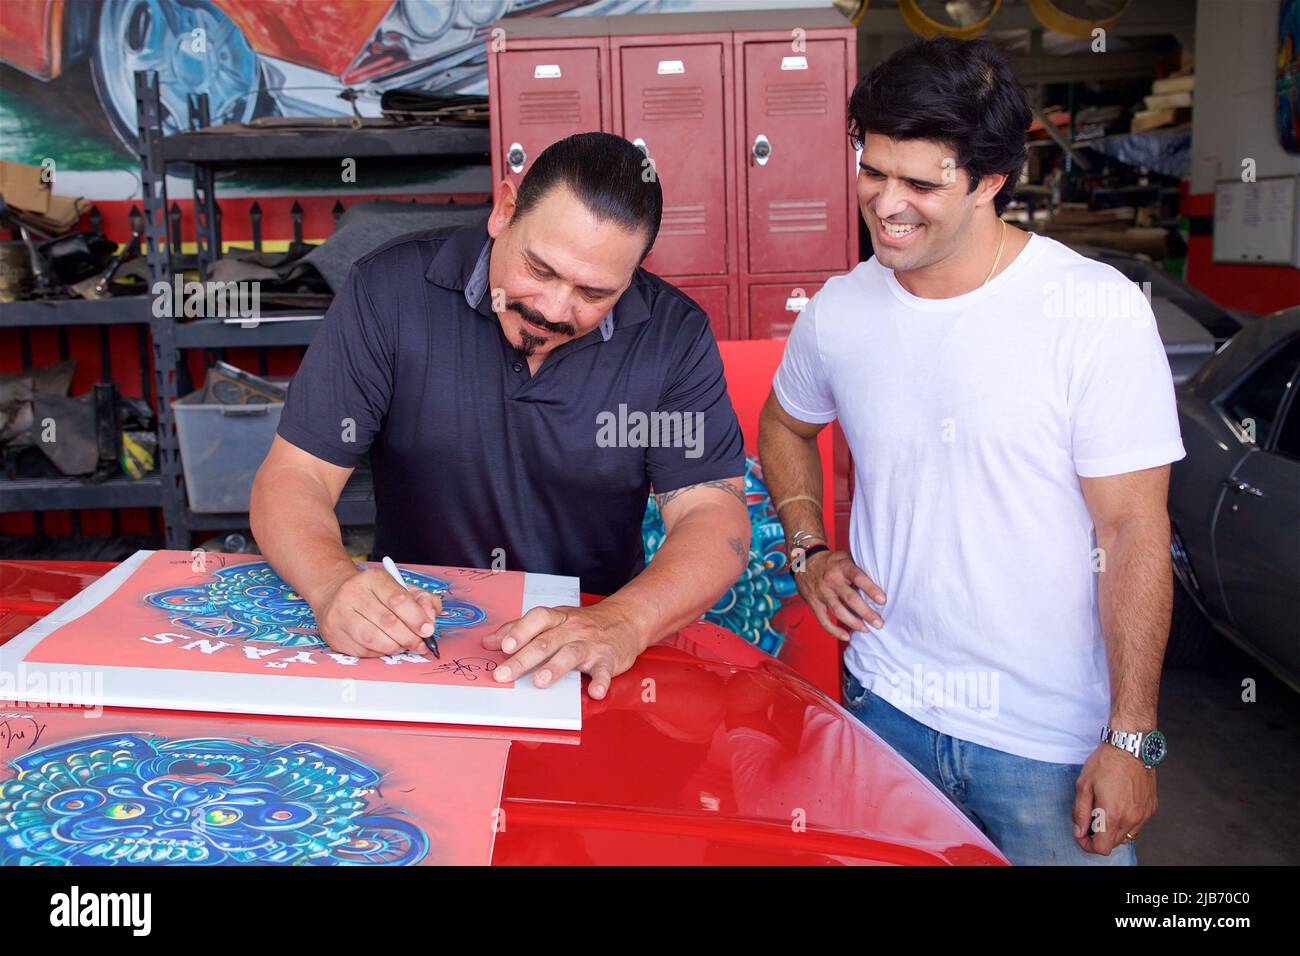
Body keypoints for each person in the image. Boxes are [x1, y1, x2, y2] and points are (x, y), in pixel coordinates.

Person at [757, 38, 1184, 865]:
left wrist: (1133, 741)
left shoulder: (1090, 312)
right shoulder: (841, 311)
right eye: (872, 171)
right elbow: (784, 425)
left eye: (921, 184)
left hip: (1045, 745)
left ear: (991, 181)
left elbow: (1132, 532)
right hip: (883, 713)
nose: (886, 204)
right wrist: (807, 546)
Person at [251, 132, 749, 700]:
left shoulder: (671, 337)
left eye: (593, 293)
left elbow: (714, 513)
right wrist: (331, 583)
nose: (553, 310)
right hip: (414, 643)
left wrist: (627, 621)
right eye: (539, 270)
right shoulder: (390, 293)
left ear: (634, 272)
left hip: (587, 657)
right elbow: (296, 475)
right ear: (505, 210)